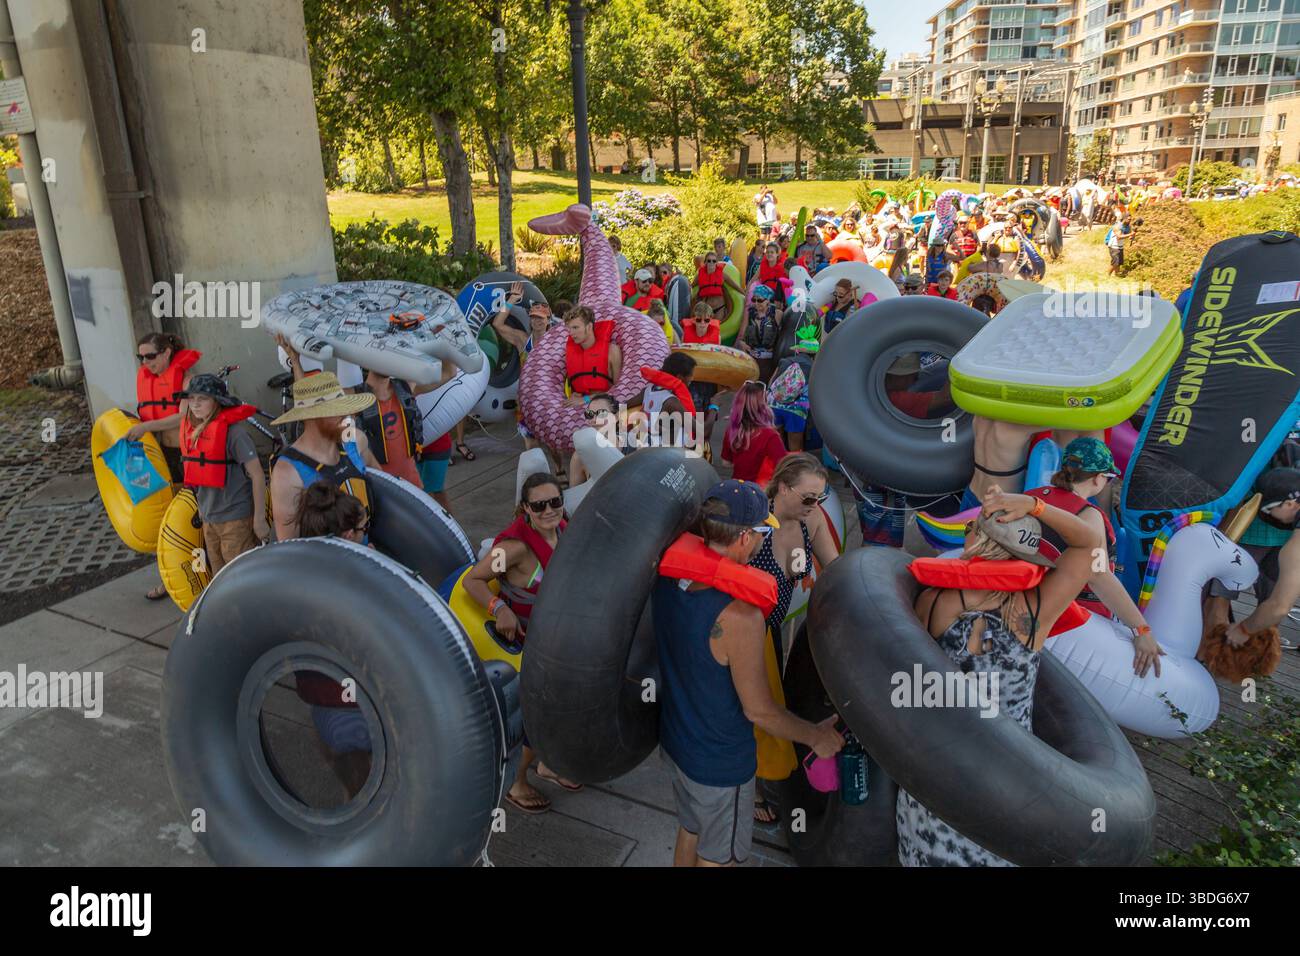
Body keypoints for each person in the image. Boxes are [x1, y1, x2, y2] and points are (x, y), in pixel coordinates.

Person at [898, 486, 1102, 866]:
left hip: (937, 768)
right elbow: (1091, 544)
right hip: (1005, 775)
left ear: (977, 541)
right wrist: (1035, 506)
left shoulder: (933, 602)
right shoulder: (1034, 612)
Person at [653, 479, 843, 866]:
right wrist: (815, 737)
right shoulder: (740, 616)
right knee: (719, 855)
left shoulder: (667, 577)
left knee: (691, 828)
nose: (761, 542)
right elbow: (760, 711)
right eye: (761, 533)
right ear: (744, 538)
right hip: (719, 763)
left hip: (675, 743)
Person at [463, 473, 578, 812]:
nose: (549, 510)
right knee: (541, 715)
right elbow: (475, 580)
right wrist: (498, 608)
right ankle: (517, 780)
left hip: (560, 638)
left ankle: (548, 765)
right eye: (539, 505)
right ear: (526, 508)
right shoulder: (514, 550)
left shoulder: (563, 531)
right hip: (531, 643)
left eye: (555, 502)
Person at [1025, 438, 1164, 676]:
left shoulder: (1032, 497)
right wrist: (1142, 630)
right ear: (1099, 478)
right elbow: (1099, 577)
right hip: (1072, 621)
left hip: (1026, 605)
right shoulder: (1089, 517)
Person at [293, 482, 373, 798]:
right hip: (354, 707)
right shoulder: (357, 578)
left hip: (320, 699)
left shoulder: (300, 569)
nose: (368, 534)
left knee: (352, 780)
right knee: (366, 792)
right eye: (365, 528)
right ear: (349, 535)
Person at [129, 332, 200, 599]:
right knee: (163, 521)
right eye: (141, 357)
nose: (145, 362)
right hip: (158, 457)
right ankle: (169, 579)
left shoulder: (187, 379)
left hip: (184, 455)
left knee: (190, 519)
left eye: (150, 356)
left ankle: (199, 576)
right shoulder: (148, 380)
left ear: (167, 353)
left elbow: (181, 416)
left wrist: (147, 426)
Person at [268, 371, 380, 541]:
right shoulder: (288, 473)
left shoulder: (354, 440)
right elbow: (289, 546)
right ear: (312, 417)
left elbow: (383, 487)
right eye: (336, 411)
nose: (346, 416)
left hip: (371, 556)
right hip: (328, 565)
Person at [176, 373, 269, 574]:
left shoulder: (235, 434)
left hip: (235, 518)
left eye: (203, 398)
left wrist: (259, 519)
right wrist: (202, 511)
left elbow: (257, 475)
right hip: (210, 519)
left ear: (218, 401)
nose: (195, 404)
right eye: (191, 398)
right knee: (219, 576)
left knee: (240, 575)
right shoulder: (193, 433)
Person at [1203, 466, 1300, 653]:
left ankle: (1215, 660)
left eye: (1267, 509)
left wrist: (1243, 629)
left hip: (1248, 538)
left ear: (1290, 504)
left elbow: (1279, 606)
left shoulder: (1293, 547)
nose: (1267, 516)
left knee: (1218, 604)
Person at [722, 381, 786, 484]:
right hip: (760, 490)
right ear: (763, 406)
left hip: (737, 486)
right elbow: (784, 467)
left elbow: (726, 463)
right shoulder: (770, 435)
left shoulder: (732, 430)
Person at [563, 305, 622, 406]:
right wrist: (575, 396)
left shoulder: (612, 351)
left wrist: (586, 399)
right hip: (580, 411)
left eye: (575, 328)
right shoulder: (568, 355)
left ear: (589, 326)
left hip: (608, 409)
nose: (571, 333)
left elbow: (620, 392)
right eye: (570, 329)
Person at [639, 351, 698, 450]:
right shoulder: (672, 402)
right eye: (691, 375)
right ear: (679, 377)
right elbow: (702, 432)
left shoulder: (648, 389)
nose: (692, 378)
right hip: (671, 456)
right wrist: (714, 407)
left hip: (648, 448)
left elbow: (626, 403)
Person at [734, 285, 781, 382]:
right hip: (752, 360)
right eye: (753, 300)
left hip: (769, 362)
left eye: (759, 300)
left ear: (768, 300)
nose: (756, 303)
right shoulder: (750, 313)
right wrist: (742, 343)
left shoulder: (777, 314)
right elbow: (742, 335)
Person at [692, 250, 744, 323]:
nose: (711, 263)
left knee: (716, 328)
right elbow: (691, 287)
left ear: (716, 263)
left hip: (719, 307)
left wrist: (745, 294)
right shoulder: (700, 275)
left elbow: (735, 286)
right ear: (705, 262)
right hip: (706, 308)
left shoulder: (722, 274)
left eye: (714, 261)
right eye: (709, 261)